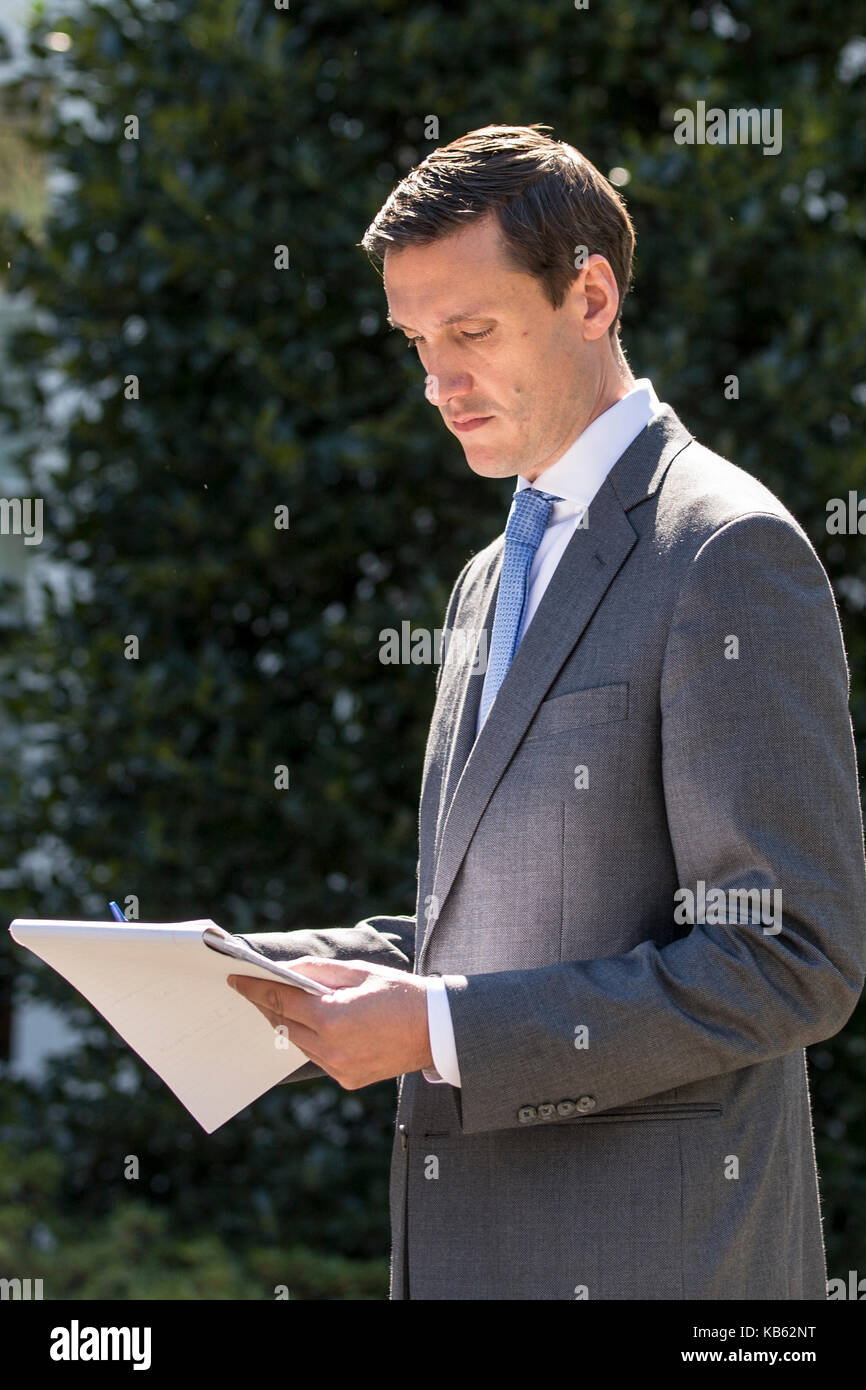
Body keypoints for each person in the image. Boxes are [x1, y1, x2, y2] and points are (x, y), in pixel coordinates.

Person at [228, 124, 866, 1300]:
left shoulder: (725, 550)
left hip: (659, 1268)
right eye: (417, 341)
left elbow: (789, 958)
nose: (438, 380)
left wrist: (436, 1031)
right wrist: (235, 975)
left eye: (470, 331)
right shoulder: (490, 575)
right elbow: (487, 931)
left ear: (588, 294)